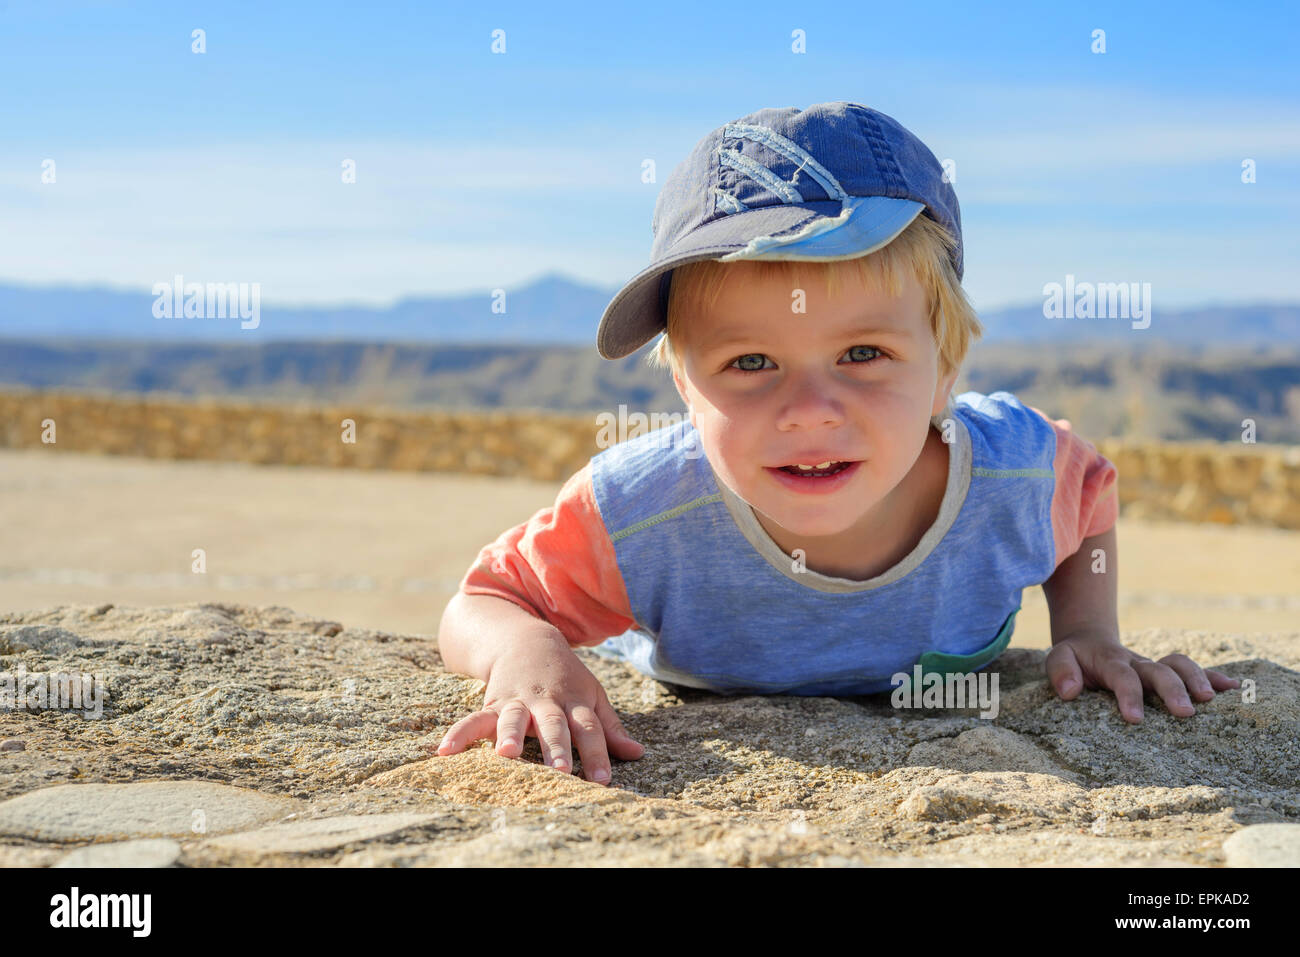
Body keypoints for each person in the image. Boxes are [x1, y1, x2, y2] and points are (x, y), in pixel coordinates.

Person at [435, 101, 1239, 786]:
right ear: (684, 385)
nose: (811, 411)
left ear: (944, 368)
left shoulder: (1012, 472)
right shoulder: (640, 512)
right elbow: (483, 599)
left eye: (863, 355)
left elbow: (1090, 491)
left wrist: (1088, 632)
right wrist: (529, 653)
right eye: (750, 362)